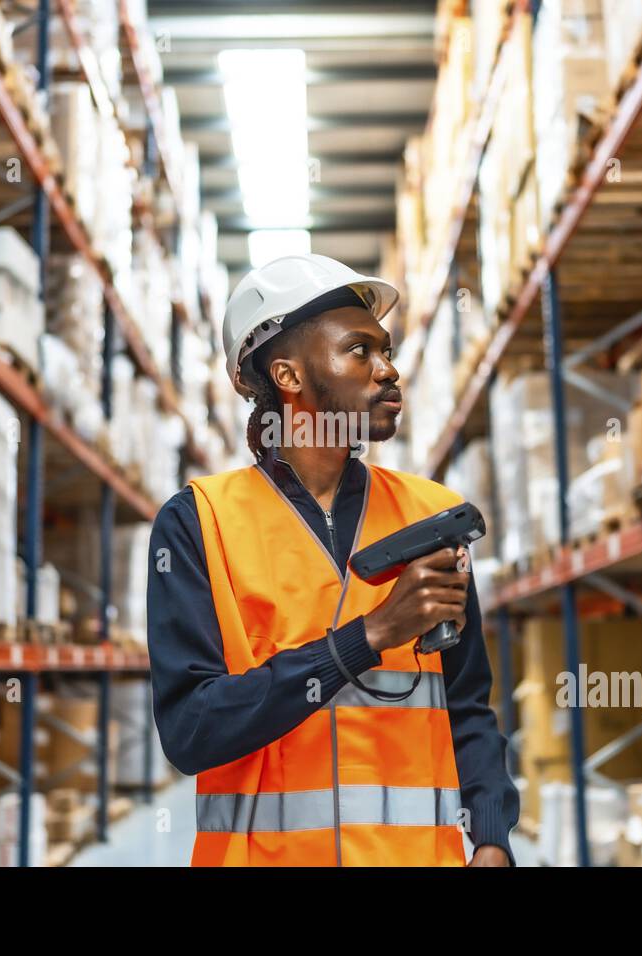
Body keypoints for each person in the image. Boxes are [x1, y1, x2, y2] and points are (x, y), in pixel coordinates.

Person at [147, 253, 518, 866]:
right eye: (359, 351)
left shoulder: (431, 516)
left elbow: (469, 706)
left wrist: (492, 839)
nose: (388, 370)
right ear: (289, 376)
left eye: (387, 350)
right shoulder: (197, 523)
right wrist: (371, 635)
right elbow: (191, 732)